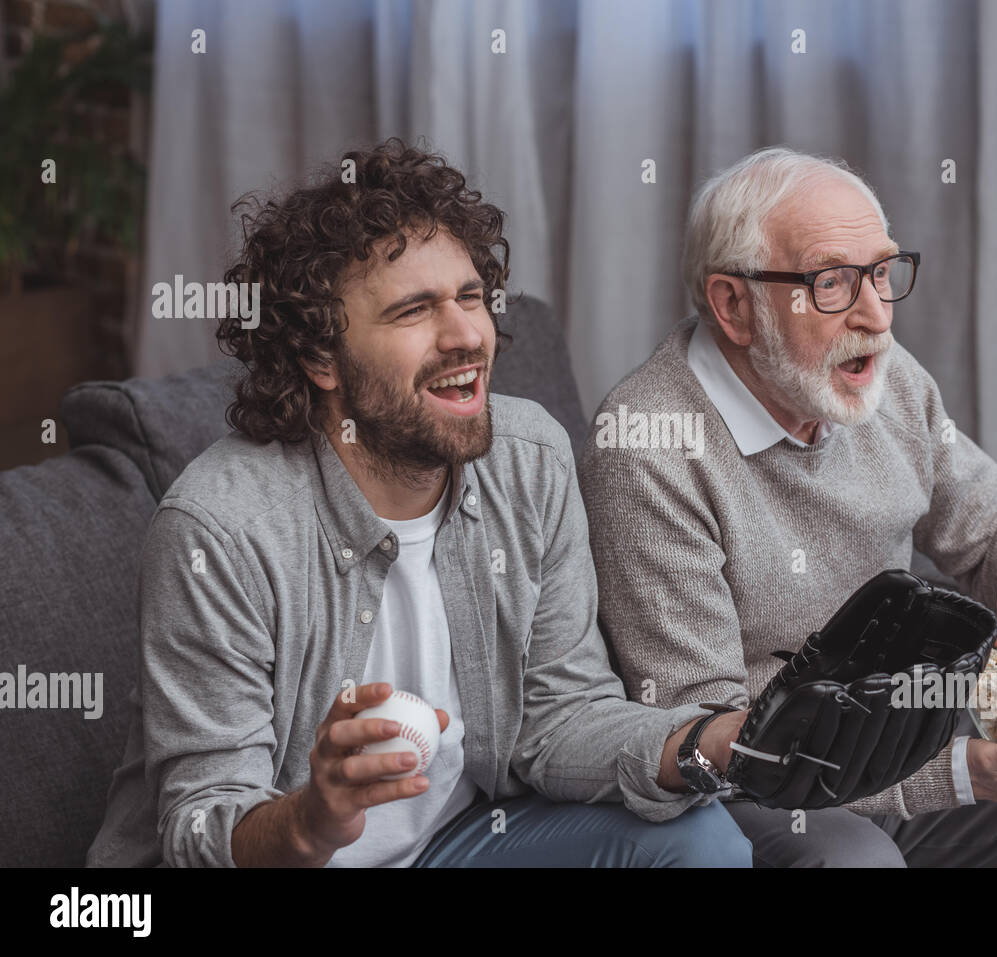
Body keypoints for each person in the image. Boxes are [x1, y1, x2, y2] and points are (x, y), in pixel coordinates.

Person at [86, 139, 752, 868]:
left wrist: (714, 741)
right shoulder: (219, 530)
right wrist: (312, 818)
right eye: (413, 311)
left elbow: (561, 716)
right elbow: (201, 822)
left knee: (701, 842)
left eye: (470, 297)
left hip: (456, 844)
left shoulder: (531, 458)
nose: (467, 334)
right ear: (320, 357)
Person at [577, 146, 997, 867]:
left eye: (882, 273)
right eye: (832, 282)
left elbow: (984, 519)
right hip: (765, 796)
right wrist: (950, 775)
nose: (877, 316)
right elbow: (717, 743)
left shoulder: (880, 380)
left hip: (914, 737)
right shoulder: (647, 450)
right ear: (734, 305)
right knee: (857, 862)